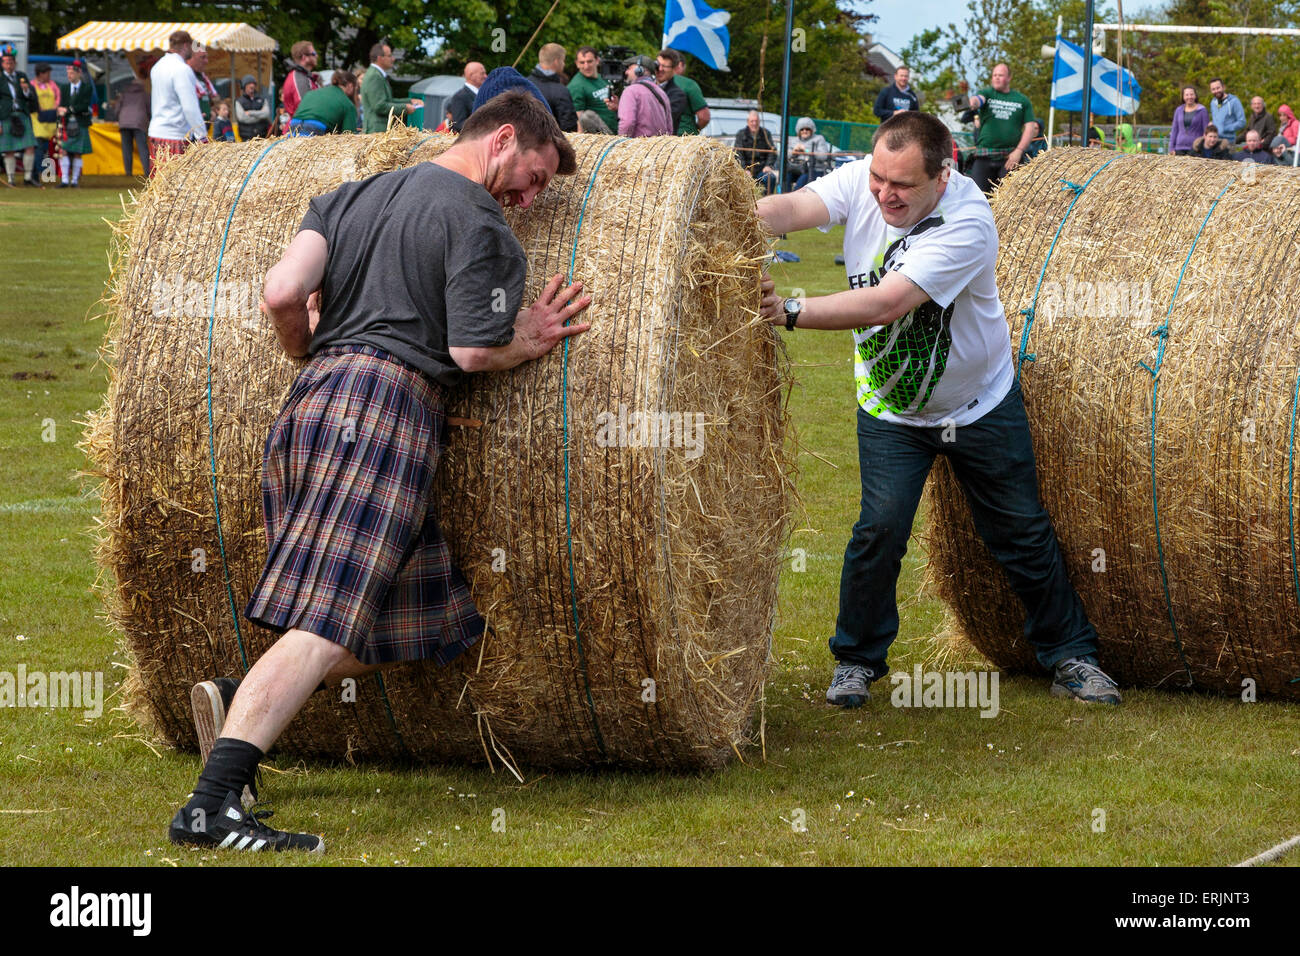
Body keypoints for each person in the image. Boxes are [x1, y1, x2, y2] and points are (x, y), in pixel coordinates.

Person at [166, 89, 592, 853]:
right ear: (503, 139)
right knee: (328, 622)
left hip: (312, 402)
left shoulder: (346, 197)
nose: (533, 196)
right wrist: (525, 340)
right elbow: (469, 352)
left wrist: (306, 349)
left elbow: (280, 292)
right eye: (534, 173)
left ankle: (241, 703)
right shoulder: (482, 224)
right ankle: (211, 805)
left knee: (432, 622)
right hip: (385, 413)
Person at [753, 110, 1122, 711]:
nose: (884, 194)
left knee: (1021, 533)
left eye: (901, 185)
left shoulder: (968, 223)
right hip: (891, 409)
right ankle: (856, 662)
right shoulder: (866, 180)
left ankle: (1071, 655)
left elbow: (885, 302)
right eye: (878, 178)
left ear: (942, 175)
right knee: (879, 530)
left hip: (978, 403)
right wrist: (727, 216)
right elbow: (791, 209)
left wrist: (789, 311)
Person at [966, 63, 1035, 193]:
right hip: (984, 156)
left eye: (1001, 75)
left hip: (1010, 158)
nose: (997, 78)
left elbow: (1030, 127)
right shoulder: (987, 93)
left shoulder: (1022, 100)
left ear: (1009, 78)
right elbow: (978, 100)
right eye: (994, 75)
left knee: (1009, 199)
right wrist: (973, 102)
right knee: (976, 195)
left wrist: (1019, 151)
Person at [149, 31, 208, 169]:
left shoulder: (157, 66)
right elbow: (190, 107)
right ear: (186, 45)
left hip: (156, 133)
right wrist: (202, 136)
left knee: (159, 187)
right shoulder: (182, 69)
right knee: (177, 187)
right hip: (175, 136)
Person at [360, 41, 422, 133]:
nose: (393, 59)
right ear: (380, 58)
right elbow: (379, 106)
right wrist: (404, 108)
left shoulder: (376, 74)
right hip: (376, 130)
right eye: (389, 56)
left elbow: (387, 101)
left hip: (377, 129)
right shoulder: (375, 76)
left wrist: (409, 101)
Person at [0, 43, 39, 187]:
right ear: (2, 64)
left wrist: (26, 90)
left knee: (29, 146)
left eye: (11, 62)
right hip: (6, 116)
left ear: (15, 63)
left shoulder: (22, 76)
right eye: (6, 62)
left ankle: (28, 178)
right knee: (9, 149)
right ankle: (11, 179)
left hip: (21, 115)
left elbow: (29, 97)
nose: (9, 65)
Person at [57, 60, 94, 188]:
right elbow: (62, 103)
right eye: (68, 73)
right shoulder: (65, 87)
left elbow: (84, 105)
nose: (69, 75)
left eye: (72, 73)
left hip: (81, 122)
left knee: (78, 152)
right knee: (64, 151)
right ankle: (65, 180)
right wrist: (61, 109)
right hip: (67, 123)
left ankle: (74, 181)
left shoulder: (86, 88)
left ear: (79, 73)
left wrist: (68, 110)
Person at [616, 55, 672, 138]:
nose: (626, 72)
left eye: (629, 68)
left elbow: (627, 123)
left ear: (639, 70)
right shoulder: (662, 93)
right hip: (659, 148)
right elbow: (670, 129)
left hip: (637, 147)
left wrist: (621, 145)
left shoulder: (630, 91)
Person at [289, 70, 359, 135]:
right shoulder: (347, 104)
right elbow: (348, 135)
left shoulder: (313, 93)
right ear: (350, 86)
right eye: (356, 88)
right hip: (316, 128)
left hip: (293, 125)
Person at [568, 46, 618, 134]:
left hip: (617, 129)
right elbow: (579, 119)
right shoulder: (576, 85)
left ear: (597, 61)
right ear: (577, 64)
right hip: (603, 136)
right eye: (582, 62)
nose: (586, 66)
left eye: (589, 61)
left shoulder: (603, 78)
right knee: (587, 115)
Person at [529, 43, 577, 132]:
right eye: (563, 60)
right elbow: (570, 129)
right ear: (556, 61)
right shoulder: (560, 91)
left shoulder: (522, 84)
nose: (564, 64)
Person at [115, 61, 150, 175]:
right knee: (142, 149)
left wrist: (118, 118)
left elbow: (117, 108)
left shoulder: (125, 93)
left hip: (124, 122)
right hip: (139, 123)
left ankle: (128, 172)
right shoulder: (144, 94)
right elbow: (149, 109)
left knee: (127, 149)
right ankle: (147, 172)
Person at [30, 63, 61, 182]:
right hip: (37, 120)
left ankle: (46, 174)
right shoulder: (32, 85)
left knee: (48, 149)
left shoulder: (52, 85)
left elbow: (58, 98)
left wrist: (55, 108)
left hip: (50, 119)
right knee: (38, 148)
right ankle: (37, 174)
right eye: (47, 73)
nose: (49, 75)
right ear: (40, 74)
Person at [784, 116, 831, 192]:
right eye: (802, 129)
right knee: (785, 178)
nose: (804, 131)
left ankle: (795, 200)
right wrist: (794, 152)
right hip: (795, 168)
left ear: (812, 129)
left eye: (807, 129)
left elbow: (823, 156)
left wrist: (806, 150)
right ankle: (784, 198)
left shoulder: (819, 138)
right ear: (798, 130)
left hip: (813, 170)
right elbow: (785, 155)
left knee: (800, 184)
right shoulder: (794, 140)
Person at [734, 109, 777, 193]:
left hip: (762, 170)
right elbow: (738, 154)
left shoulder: (766, 133)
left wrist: (768, 165)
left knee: (771, 178)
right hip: (746, 170)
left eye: (756, 121)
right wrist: (744, 169)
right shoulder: (741, 134)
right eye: (752, 121)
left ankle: (768, 201)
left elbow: (772, 152)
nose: (754, 123)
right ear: (748, 122)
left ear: (759, 122)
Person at [280, 40, 321, 120]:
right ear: (304, 57)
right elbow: (306, 110)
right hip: (302, 129)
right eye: (314, 54)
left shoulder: (305, 77)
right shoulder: (299, 78)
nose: (317, 56)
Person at [671, 55, 710, 135]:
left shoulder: (654, 83)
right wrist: (696, 129)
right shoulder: (689, 84)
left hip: (659, 140)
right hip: (684, 137)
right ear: (680, 64)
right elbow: (704, 117)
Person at [654, 49, 688, 134]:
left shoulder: (678, 95)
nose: (660, 69)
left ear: (675, 69)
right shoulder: (646, 87)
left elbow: (662, 121)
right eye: (658, 65)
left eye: (665, 66)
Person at [445, 61, 485, 133]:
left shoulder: (483, 94)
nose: (486, 76)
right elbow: (459, 124)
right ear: (471, 75)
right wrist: (485, 127)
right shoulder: (459, 97)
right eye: (482, 73)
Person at [1168, 86, 1207, 155]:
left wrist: (1205, 148)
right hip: (1179, 147)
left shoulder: (1202, 110)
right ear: (1183, 97)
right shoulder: (1178, 110)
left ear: (1195, 95)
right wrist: (1171, 148)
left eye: (1192, 94)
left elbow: (1206, 131)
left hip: (1196, 148)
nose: (1189, 97)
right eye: (1187, 95)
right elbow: (1174, 130)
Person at [187, 44, 219, 122]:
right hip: (191, 127)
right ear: (191, 58)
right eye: (202, 57)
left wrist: (212, 111)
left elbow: (214, 98)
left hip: (204, 126)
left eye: (206, 57)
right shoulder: (186, 75)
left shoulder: (202, 76)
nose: (206, 61)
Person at [235, 75, 271, 140]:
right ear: (244, 86)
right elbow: (242, 117)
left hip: (262, 136)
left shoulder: (262, 99)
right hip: (246, 138)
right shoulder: (239, 101)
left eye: (253, 83)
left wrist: (250, 113)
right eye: (249, 83)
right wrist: (260, 116)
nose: (252, 86)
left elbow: (266, 114)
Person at [1208, 78, 1245, 144]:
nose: (1216, 91)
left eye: (1218, 88)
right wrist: (1212, 124)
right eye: (1213, 89)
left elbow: (1242, 122)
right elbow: (1218, 119)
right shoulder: (1213, 103)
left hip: (1229, 142)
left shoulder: (1234, 101)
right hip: (1214, 141)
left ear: (1223, 87)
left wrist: (1225, 128)